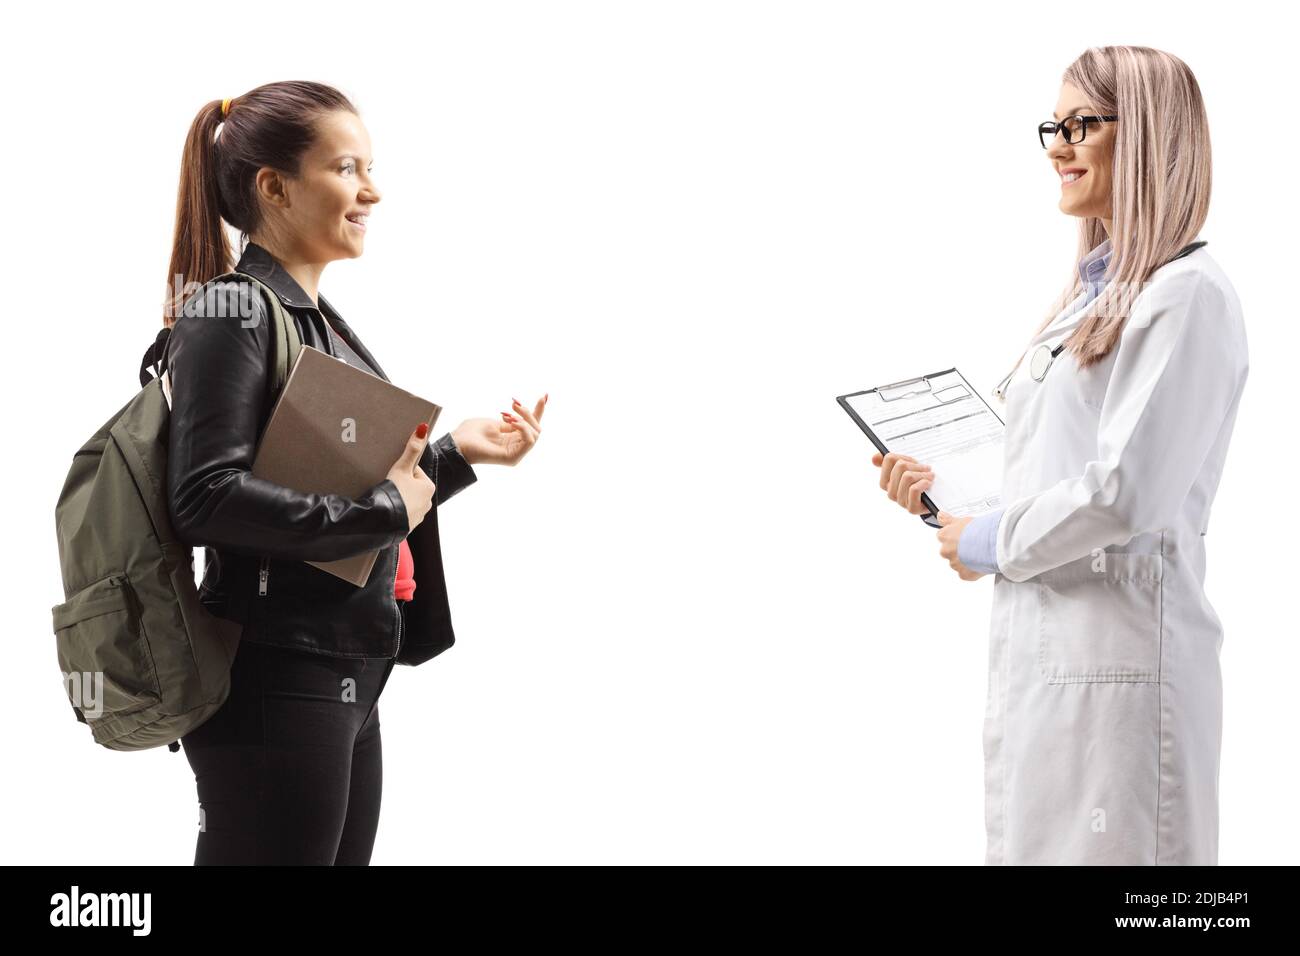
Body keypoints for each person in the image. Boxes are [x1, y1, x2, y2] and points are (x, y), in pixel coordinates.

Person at [871, 46, 1248, 864]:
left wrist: (989, 540)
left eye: (1083, 124)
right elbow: (1059, 468)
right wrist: (955, 503)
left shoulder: (1187, 296)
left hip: (1124, 679)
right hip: (1058, 663)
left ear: (1145, 134)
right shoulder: (1095, 292)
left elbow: (1124, 493)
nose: (1058, 144)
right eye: (1055, 124)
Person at [161, 81, 547, 864]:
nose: (372, 190)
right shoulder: (227, 315)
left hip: (344, 670)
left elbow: (340, 480)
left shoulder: (314, 320)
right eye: (347, 168)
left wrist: (457, 454)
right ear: (274, 187)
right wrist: (384, 511)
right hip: (276, 674)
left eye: (370, 167)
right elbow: (205, 497)